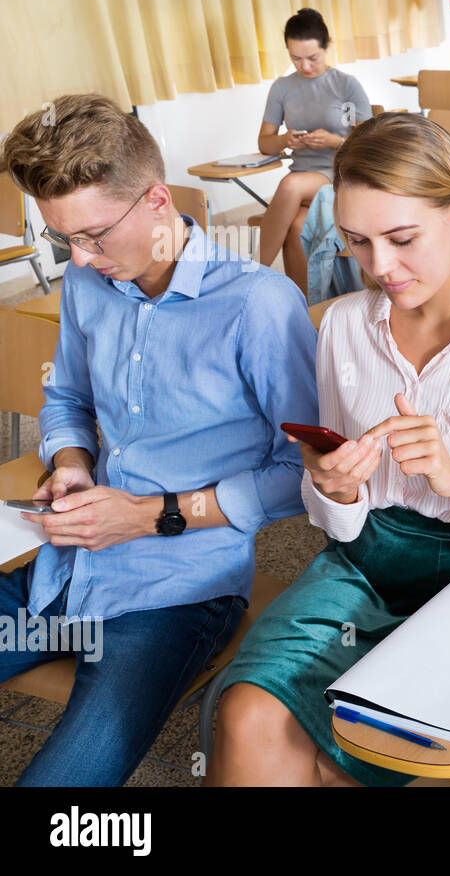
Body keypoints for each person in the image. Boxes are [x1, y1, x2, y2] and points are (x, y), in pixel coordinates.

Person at [209, 113, 450, 787]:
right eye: (358, 242)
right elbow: (337, 517)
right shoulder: (343, 327)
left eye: (400, 238)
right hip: (366, 566)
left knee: (353, 759)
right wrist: (335, 488)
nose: (379, 267)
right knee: (246, 714)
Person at [0, 93, 318, 786]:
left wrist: (148, 516)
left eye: (91, 236)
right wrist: (73, 462)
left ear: (155, 201)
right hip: (58, 569)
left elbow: (307, 473)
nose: (77, 261)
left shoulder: (259, 305)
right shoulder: (89, 285)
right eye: (62, 240)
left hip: (175, 594)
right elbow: (68, 398)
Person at [257, 8, 370, 296]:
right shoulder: (283, 88)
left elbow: (371, 143)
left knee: (290, 185)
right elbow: (265, 142)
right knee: (295, 227)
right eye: (296, 58)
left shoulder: (345, 86)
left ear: (326, 48)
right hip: (305, 180)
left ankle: (254, 272)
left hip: (341, 176)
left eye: (312, 58)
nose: (304, 66)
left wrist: (335, 142)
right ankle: (304, 307)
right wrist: (285, 140)